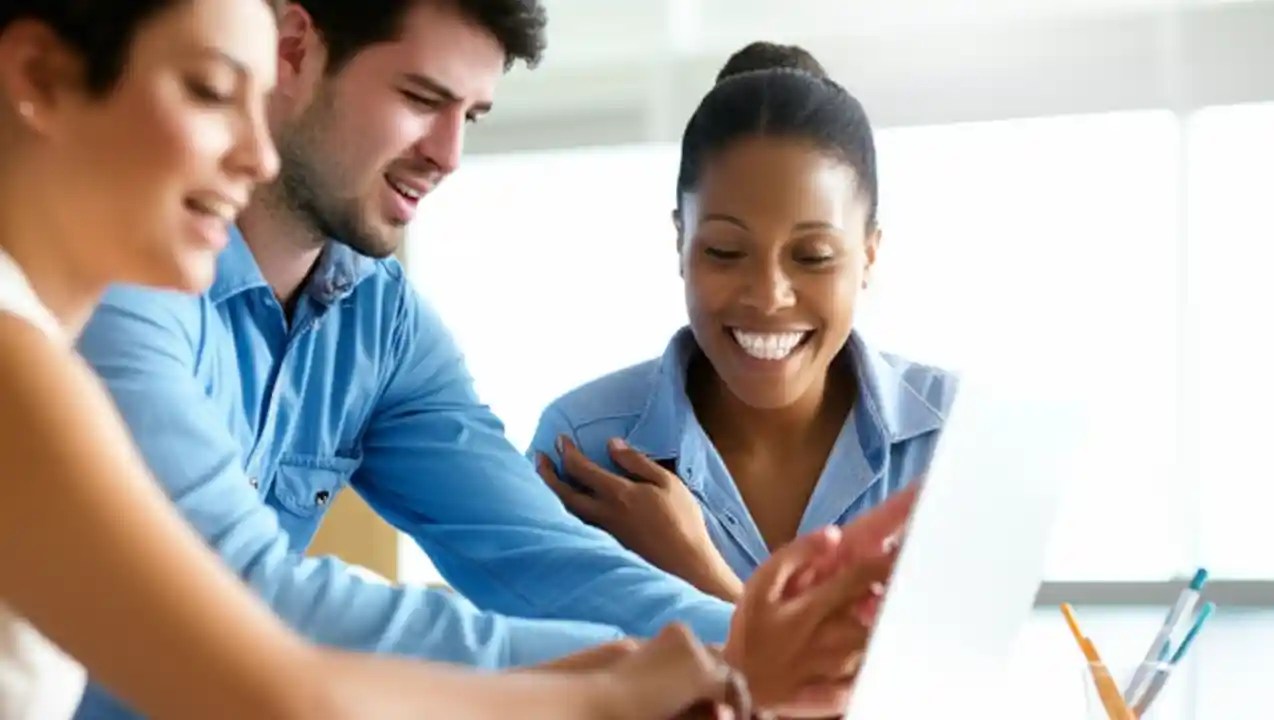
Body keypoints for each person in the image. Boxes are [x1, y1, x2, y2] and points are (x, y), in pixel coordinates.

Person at [73, 2, 912, 718]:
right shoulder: (120, 280)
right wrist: (651, 681)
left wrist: (800, 660)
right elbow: (244, 598)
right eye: (419, 98)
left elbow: (545, 561)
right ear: (293, 50)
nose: (447, 155)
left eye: (469, 116)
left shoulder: (383, 326)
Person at [530, 42, 957, 603]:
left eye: (813, 256)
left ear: (869, 256)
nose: (768, 296)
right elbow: (543, 681)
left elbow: (946, 690)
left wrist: (699, 574)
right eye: (727, 252)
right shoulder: (584, 448)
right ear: (681, 240)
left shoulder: (955, 439)